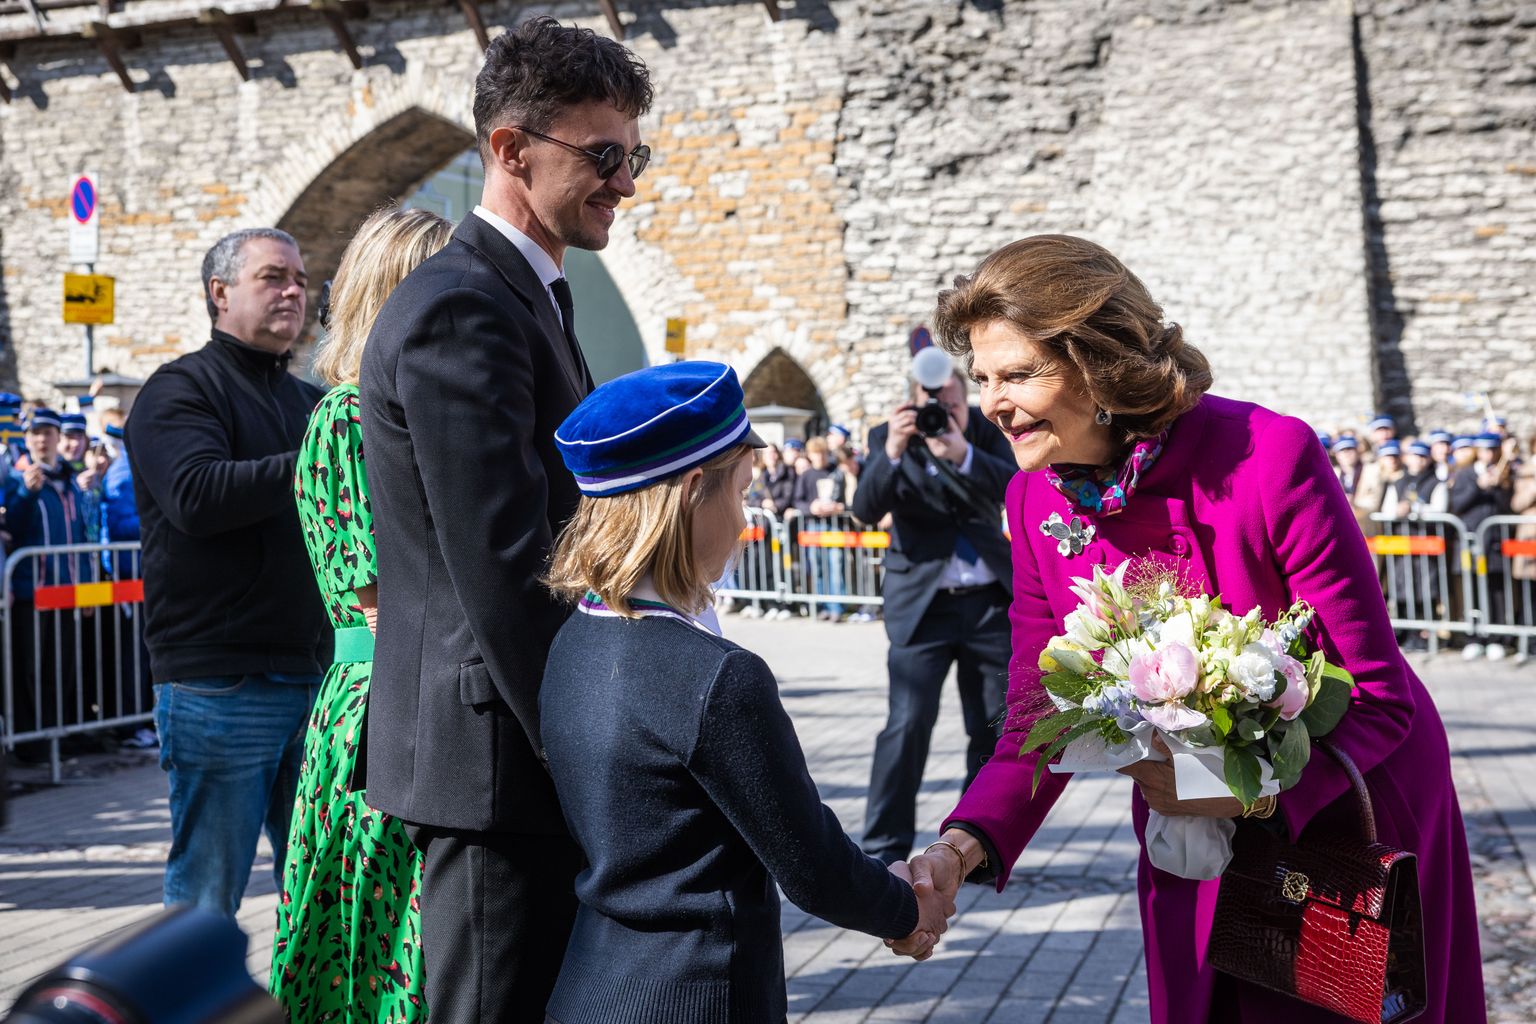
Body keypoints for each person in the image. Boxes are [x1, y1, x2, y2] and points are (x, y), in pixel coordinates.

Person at [889, 235, 1485, 1024]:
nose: (994, 402)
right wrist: (959, 849)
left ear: (1097, 361)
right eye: (984, 378)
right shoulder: (1033, 502)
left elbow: (1379, 698)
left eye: (1020, 374)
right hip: (1184, 831)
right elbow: (1037, 717)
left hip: (1341, 812)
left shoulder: (1269, 455)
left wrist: (1234, 796)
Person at [358, 18, 653, 1022]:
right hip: (497, 758)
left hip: (511, 752)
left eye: (634, 155)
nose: (625, 181)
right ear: (511, 149)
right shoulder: (463, 307)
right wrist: (586, 750)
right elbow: (502, 564)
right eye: (603, 156)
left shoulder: (529, 296)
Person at [539, 361, 947, 1024]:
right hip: (697, 993)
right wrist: (907, 910)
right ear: (695, 491)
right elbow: (810, 863)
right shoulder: (718, 675)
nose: (745, 514)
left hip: (591, 984)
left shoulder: (574, 639)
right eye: (741, 490)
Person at [268, 208, 451, 1024]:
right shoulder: (348, 417)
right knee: (378, 945)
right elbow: (382, 606)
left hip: (402, 689)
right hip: (383, 699)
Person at [127, 226, 329, 915]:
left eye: (300, 279)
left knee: (325, 899)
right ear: (220, 292)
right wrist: (320, 463)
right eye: (274, 277)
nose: (294, 291)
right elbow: (196, 495)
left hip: (316, 677)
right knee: (207, 900)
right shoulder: (179, 390)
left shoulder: (309, 403)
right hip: (222, 681)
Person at [853, 361, 1014, 865]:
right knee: (906, 725)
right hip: (923, 607)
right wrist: (894, 451)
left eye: (951, 405)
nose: (941, 414)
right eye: (933, 405)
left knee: (991, 727)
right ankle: (882, 850)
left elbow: (1016, 488)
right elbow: (864, 506)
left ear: (965, 401)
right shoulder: (888, 434)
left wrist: (963, 452)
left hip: (988, 602)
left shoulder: (988, 434)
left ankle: (976, 848)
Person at [4, 408, 93, 760]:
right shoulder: (16, 479)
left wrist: (85, 587)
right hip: (33, 592)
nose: (43, 440)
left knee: (63, 667)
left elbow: (83, 537)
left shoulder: (69, 482)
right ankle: (32, 743)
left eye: (49, 433)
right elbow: (12, 530)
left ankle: (60, 734)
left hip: (68, 592)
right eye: (36, 434)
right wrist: (25, 495)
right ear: (27, 440)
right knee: (31, 669)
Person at [1451, 436, 1513, 662]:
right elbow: (1458, 504)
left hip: (1493, 541)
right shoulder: (1466, 473)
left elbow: (1508, 507)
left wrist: (1498, 486)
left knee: (1496, 590)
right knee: (1471, 590)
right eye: (1484, 450)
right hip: (1469, 540)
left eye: (1492, 450)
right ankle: (1474, 638)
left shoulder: (1502, 472)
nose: (1488, 454)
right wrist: (1479, 487)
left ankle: (1496, 638)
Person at [791, 437, 849, 620]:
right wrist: (812, 508)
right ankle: (823, 605)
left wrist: (838, 507)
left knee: (835, 564)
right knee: (817, 566)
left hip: (833, 525)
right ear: (810, 455)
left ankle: (836, 607)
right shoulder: (806, 475)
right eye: (816, 454)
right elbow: (798, 501)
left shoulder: (836, 472)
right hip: (813, 526)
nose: (820, 458)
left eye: (823, 454)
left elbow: (846, 499)